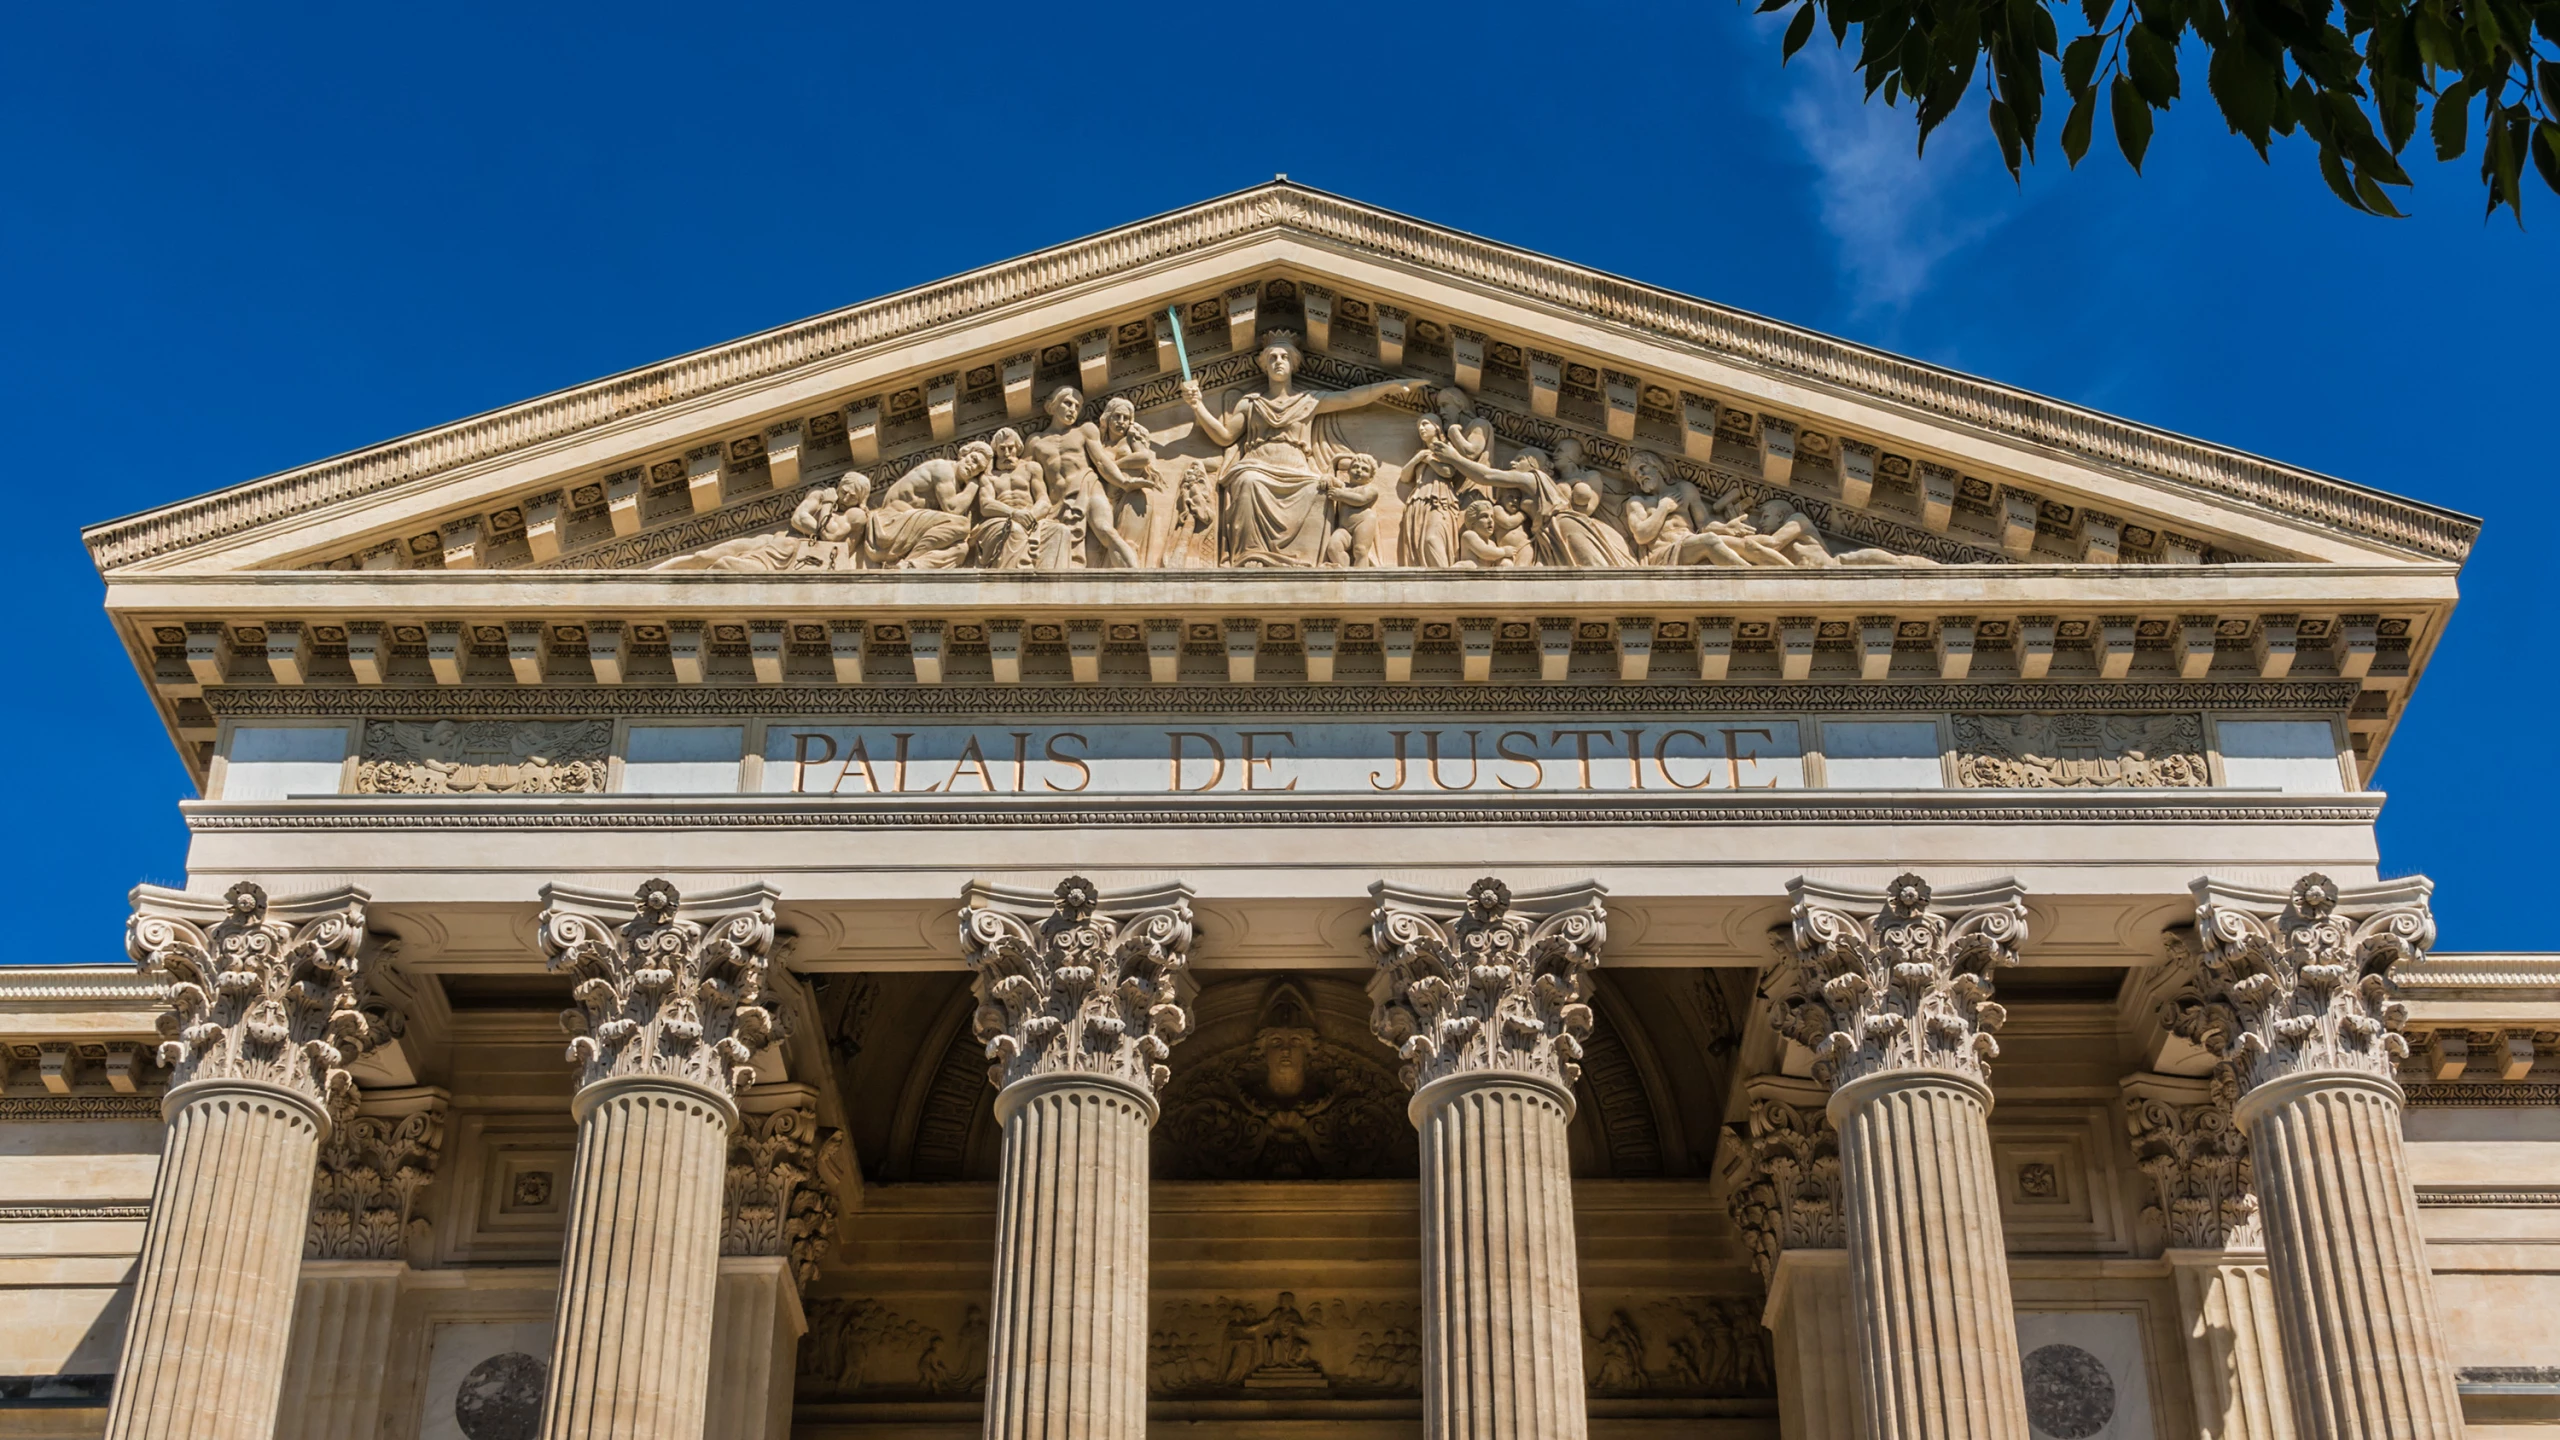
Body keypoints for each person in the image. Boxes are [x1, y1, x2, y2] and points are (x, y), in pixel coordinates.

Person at [1180, 333, 1428, 567]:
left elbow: (1350, 398)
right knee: (1248, 482)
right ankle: (1252, 555)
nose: (1278, 362)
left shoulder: (1309, 401)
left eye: (1284, 357)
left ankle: (1307, 560)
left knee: (1318, 489)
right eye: (1272, 358)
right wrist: (1197, 405)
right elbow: (1224, 437)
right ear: (1264, 365)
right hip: (1257, 464)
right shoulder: (1251, 403)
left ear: (1294, 364)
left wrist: (1388, 387)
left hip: (1297, 467)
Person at [966, 432, 1049, 569]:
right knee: (1014, 530)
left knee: (1060, 530)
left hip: (1032, 519)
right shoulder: (988, 476)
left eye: (1011, 448)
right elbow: (986, 505)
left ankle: (1052, 586)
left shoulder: (1031, 468)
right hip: (1001, 519)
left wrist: (1031, 517)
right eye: (1002, 449)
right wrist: (1014, 513)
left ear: (1018, 448)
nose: (1007, 453)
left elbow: (1044, 499)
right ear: (996, 451)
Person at [1320, 453, 1386, 567]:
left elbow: (1361, 499)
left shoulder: (1371, 489)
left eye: (1364, 469)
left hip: (1364, 522)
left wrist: (1341, 495)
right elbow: (1332, 479)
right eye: (1355, 467)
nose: (1359, 471)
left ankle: (1361, 578)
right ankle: (1346, 571)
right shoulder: (1344, 486)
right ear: (1349, 471)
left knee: (1360, 550)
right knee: (1333, 547)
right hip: (1344, 527)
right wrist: (1326, 477)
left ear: (1370, 477)